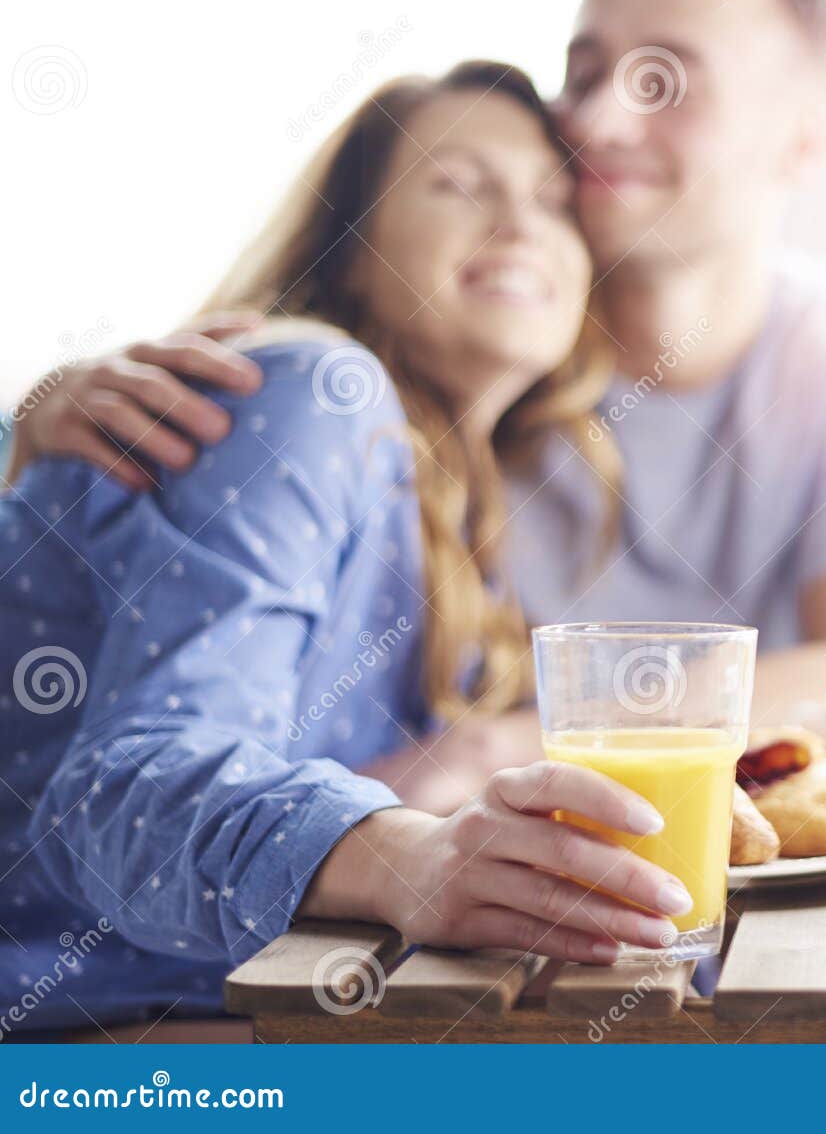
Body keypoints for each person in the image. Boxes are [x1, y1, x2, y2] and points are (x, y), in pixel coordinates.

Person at [4, 0, 826, 765]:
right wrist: (38, 428)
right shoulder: (463, 342)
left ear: (806, 137)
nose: (596, 120)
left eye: (665, 83)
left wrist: (493, 755)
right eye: (583, 72)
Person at [0, 61, 695, 1034]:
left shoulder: (452, 505)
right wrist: (408, 857)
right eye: (458, 184)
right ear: (351, 251)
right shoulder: (313, 389)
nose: (522, 223)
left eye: (551, 199)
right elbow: (117, 794)